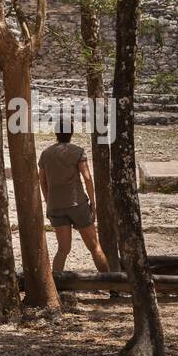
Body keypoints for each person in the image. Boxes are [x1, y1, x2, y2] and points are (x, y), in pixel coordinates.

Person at [38, 117, 109, 272]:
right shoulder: (77, 152)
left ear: (56, 133)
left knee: (63, 249)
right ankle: (112, 286)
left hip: (55, 205)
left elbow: (42, 180)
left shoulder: (45, 154)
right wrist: (93, 202)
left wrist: (48, 199)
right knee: (94, 246)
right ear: (71, 133)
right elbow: (87, 177)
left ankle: (56, 288)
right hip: (77, 204)